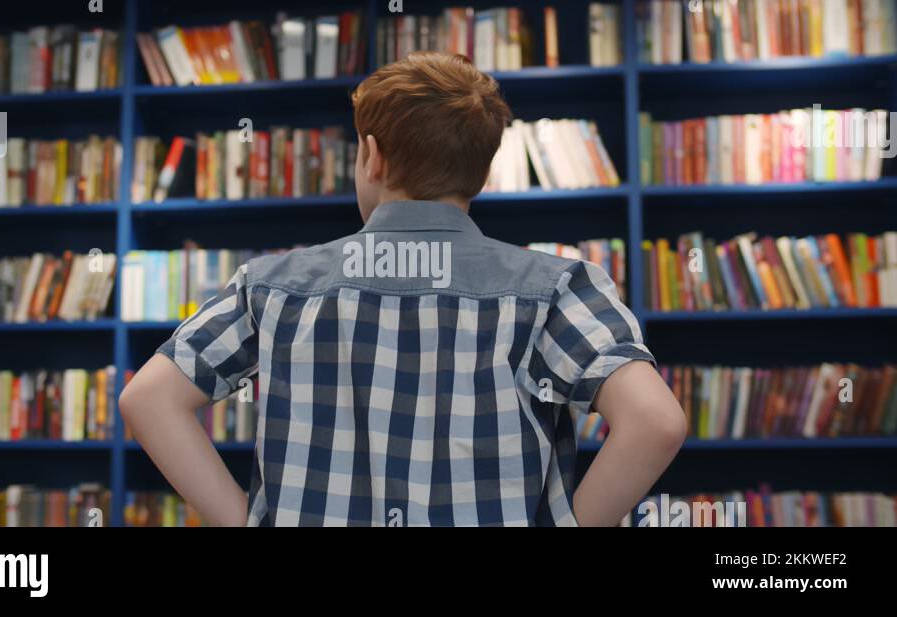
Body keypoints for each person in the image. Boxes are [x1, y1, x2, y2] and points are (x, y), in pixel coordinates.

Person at [119, 51, 686, 527]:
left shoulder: (271, 287)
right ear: (482, 172)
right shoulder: (556, 289)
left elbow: (148, 399)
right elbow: (655, 422)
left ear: (371, 156)